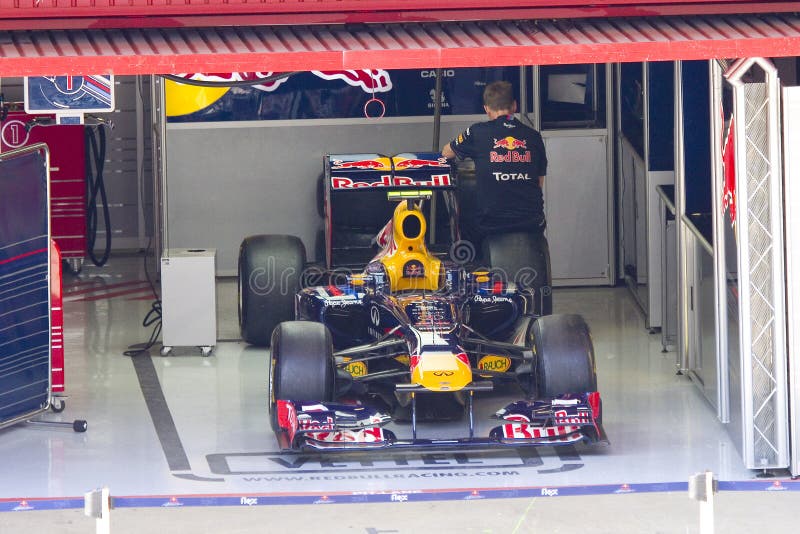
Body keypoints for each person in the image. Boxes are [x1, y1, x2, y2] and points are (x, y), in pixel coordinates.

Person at [441, 80, 552, 314]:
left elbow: (446, 152)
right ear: (515, 105)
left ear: (486, 108)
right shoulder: (534, 137)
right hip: (531, 223)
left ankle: (471, 295)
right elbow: (538, 183)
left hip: (491, 224)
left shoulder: (477, 132)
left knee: (462, 229)